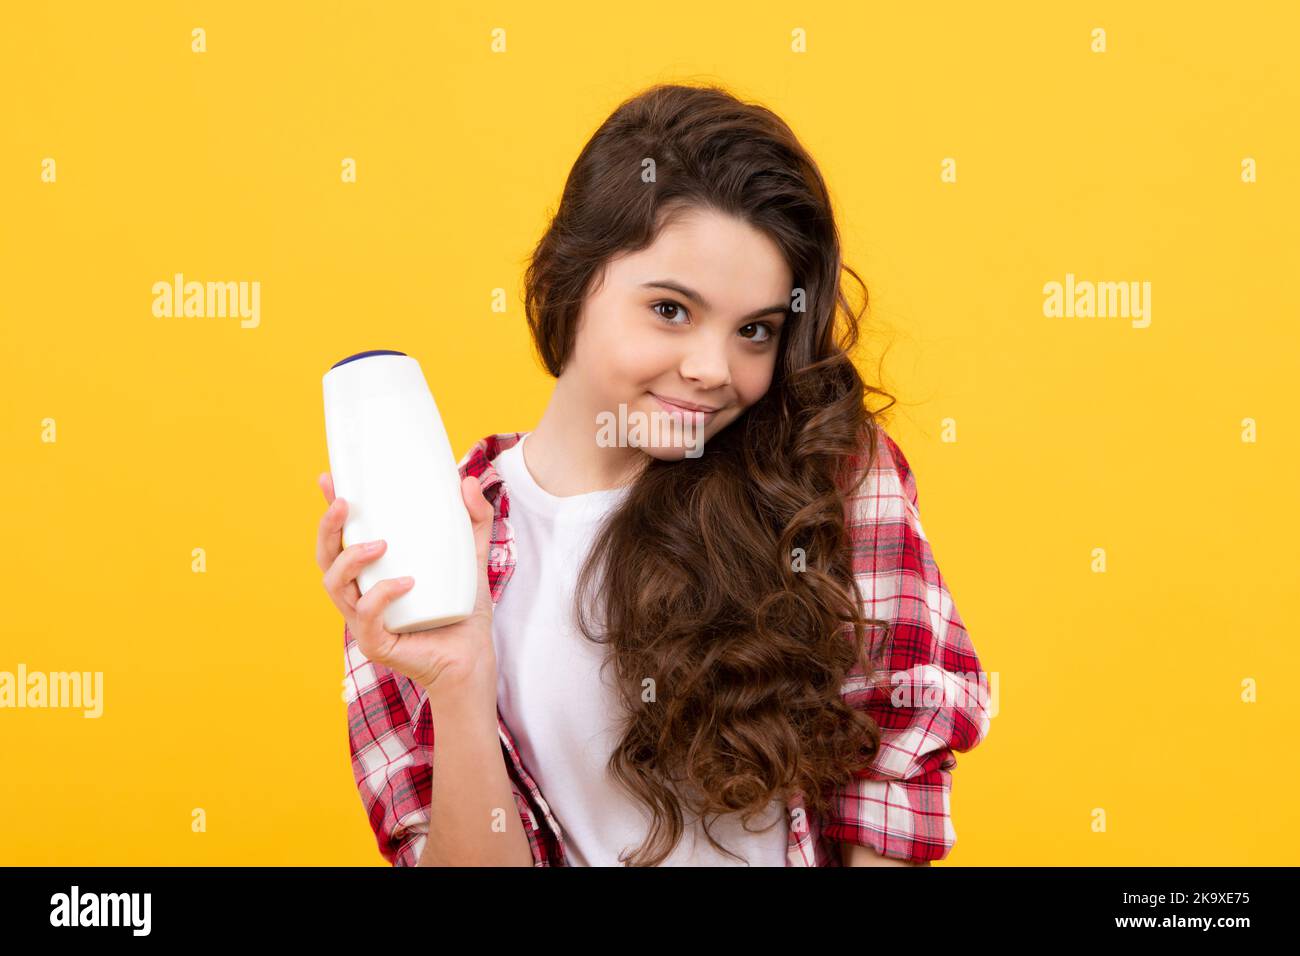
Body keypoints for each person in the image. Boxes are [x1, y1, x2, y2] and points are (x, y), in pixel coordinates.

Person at [315, 83, 990, 867]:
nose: (711, 369)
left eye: (755, 331)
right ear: (574, 280)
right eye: (671, 310)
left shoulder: (824, 480)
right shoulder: (439, 533)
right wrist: (459, 686)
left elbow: (893, 775)